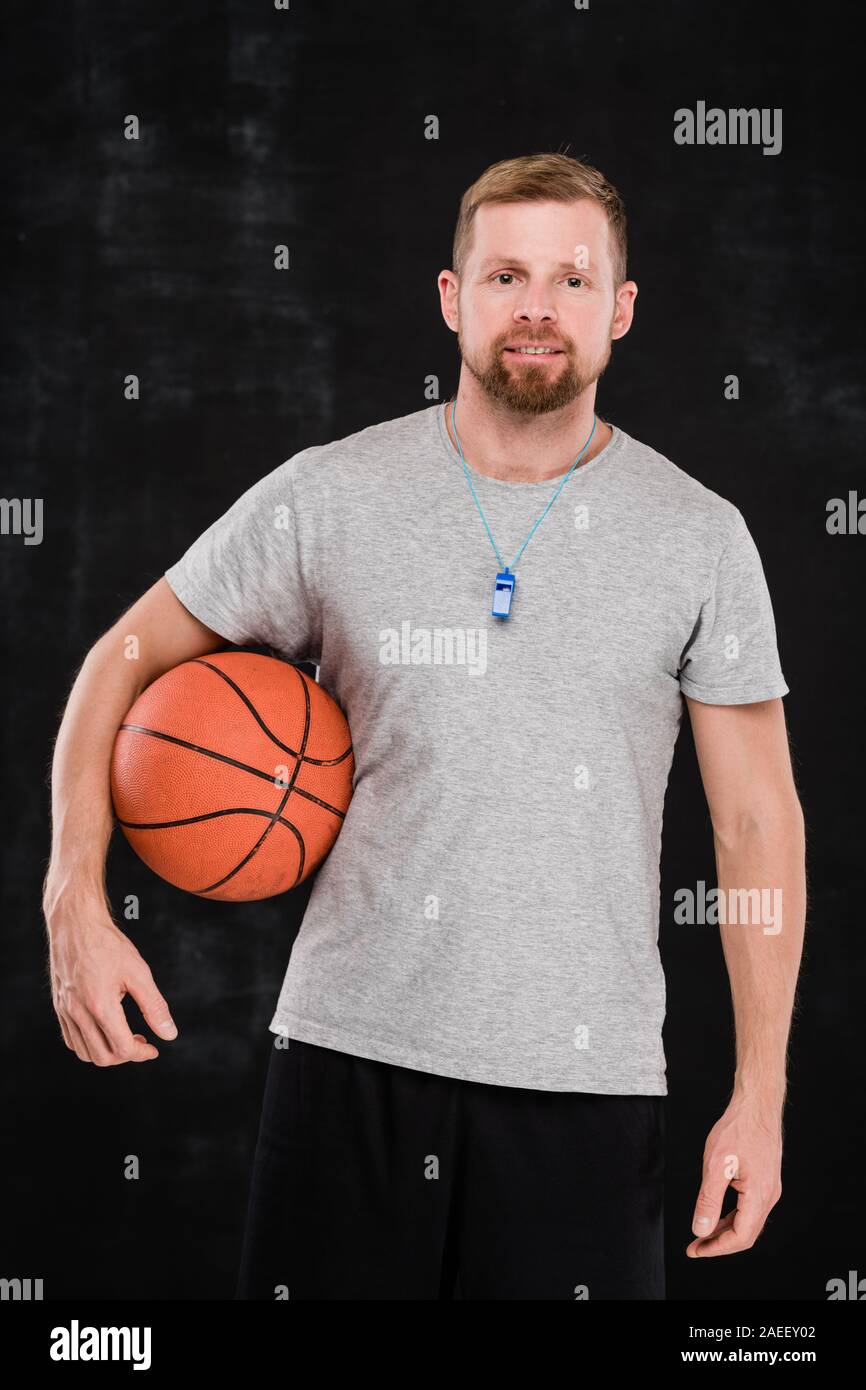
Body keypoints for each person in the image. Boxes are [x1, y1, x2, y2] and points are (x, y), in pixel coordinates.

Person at [42, 152, 806, 1300]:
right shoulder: (328, 495)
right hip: (346, 1062)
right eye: (504, 276)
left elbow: (755, 825)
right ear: (451, 299)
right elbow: (120, 660)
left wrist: (759, 1093)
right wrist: (74, 898)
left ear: (621, 310)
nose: (537, 308)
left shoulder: (697, 535)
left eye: (570, 280)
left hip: (585, 1089)